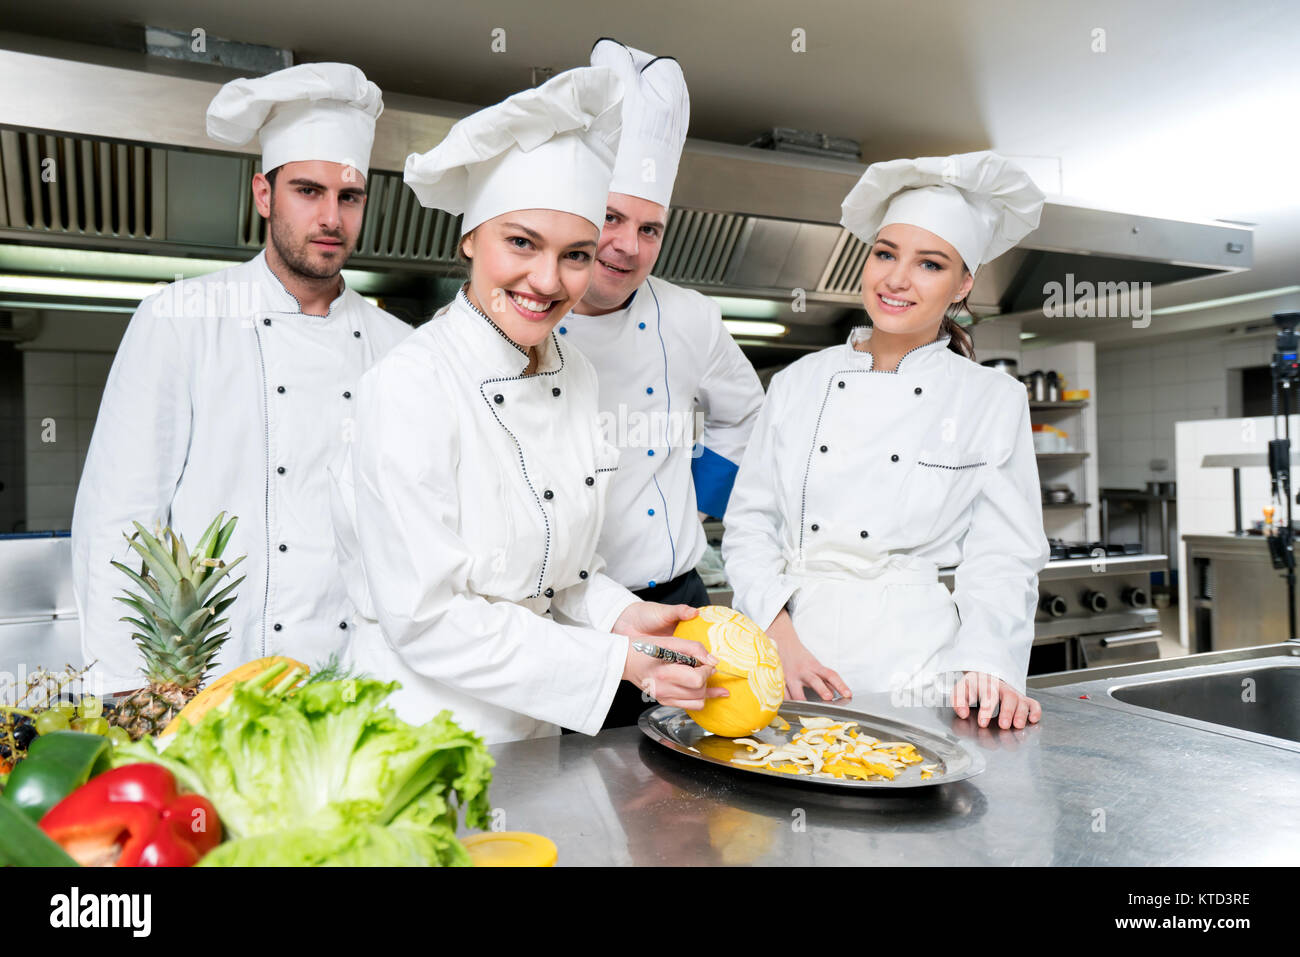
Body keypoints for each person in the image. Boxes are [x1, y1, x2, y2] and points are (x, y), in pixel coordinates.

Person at [330, 66, 724, 744]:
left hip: (535, 731)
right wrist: (618, 661)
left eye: (576, 255)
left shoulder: (578, 375)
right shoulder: (409, 386)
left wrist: (621, 615)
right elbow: (426, 617)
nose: (548, 281)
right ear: (470, 239)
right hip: (421, 734)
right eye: (521, 242)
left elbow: (559, 574)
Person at [71, 63, 412, 693]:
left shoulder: (401, 350)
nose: (331, 217)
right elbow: (118, 513)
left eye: (349, 196)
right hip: (201, 690)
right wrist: (124, 691)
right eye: (307, 191)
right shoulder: (179, 318)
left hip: (352, 688)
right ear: (263, 195)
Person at [722, 151, 1051, 730]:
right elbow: (750, 526)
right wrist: (780, 641)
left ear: (962, 283)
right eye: (885, 254)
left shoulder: (992, 399)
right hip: (789, 651)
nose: (897, 279)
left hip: (919, 665)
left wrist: (989, 665)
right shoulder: (797, 383)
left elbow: (1004, 554)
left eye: (930, 264)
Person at [560, 39, 764, 728]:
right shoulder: (530, 319)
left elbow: (747, 414)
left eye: (650, 228)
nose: (627, 246)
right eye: (611, 218)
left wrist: (697, 495)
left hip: (682, 602)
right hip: (574, 613)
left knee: (699, 794)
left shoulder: (688, 317)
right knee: (581, 788)